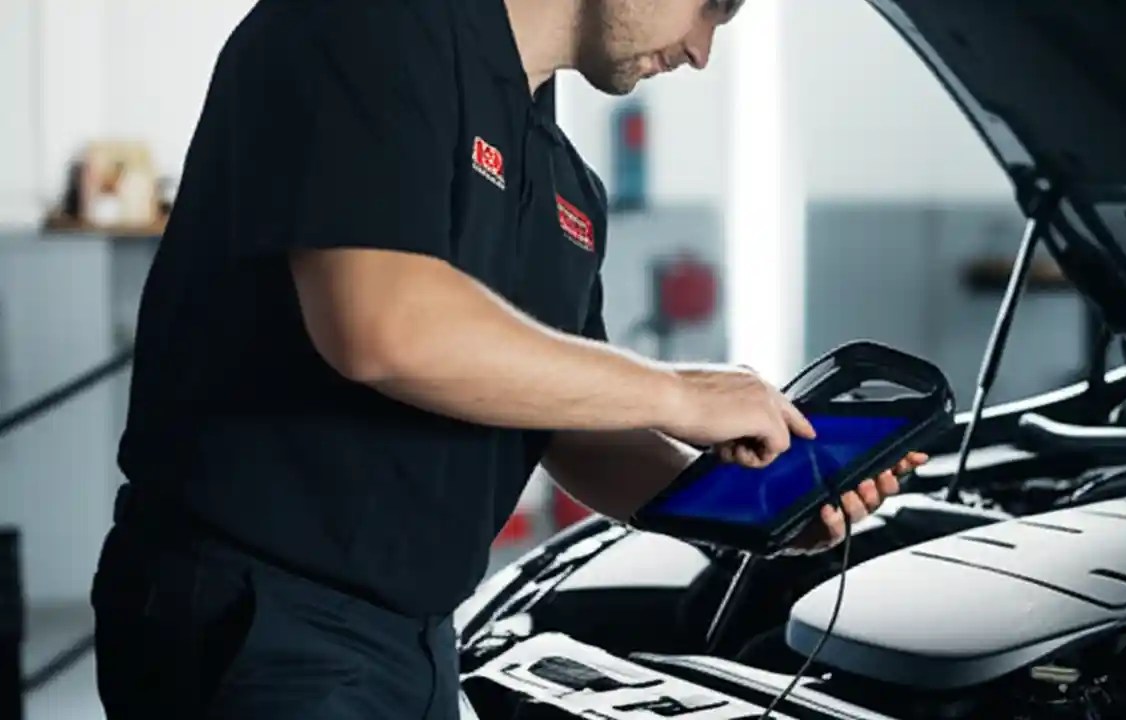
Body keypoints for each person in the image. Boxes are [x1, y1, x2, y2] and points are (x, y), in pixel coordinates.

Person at [90, 0, 928, 718]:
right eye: (712, 3)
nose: (704, 51)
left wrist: (760, 513)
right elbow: (381, 325)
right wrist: (675, 392)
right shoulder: (366, 27)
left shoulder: (566, 187)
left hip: (417, 639)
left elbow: (570, 427)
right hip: (265, 618)